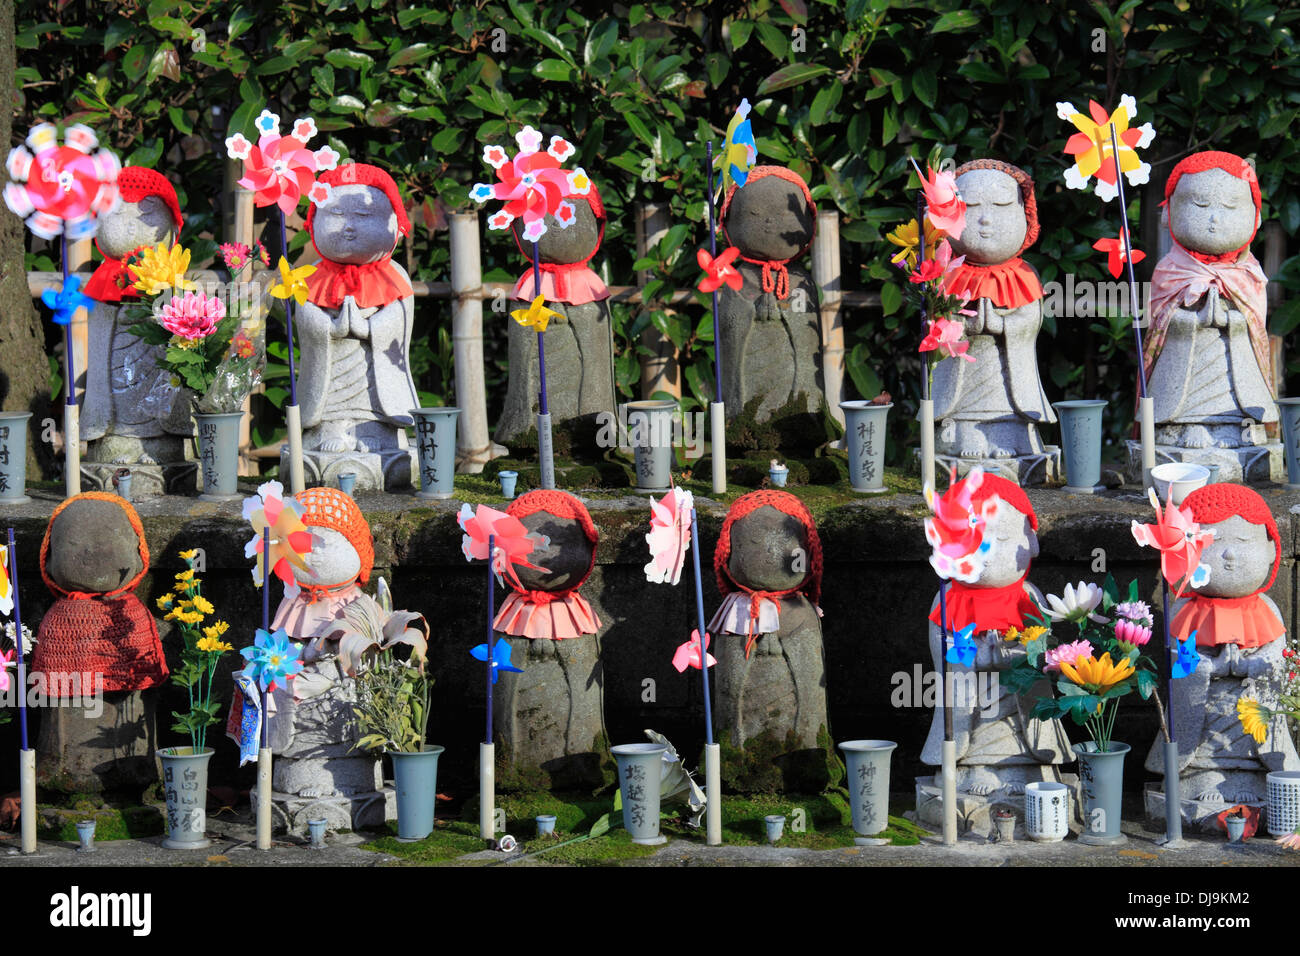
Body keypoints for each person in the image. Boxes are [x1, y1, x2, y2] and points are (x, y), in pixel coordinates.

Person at [1145, 483, 1300, 804]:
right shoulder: (1185, 610)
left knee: (1256, 733)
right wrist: (1212, 667)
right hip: (1203, 727)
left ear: (1272, 549)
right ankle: (1203, 776)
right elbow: (1183, 663)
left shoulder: (1267, 610)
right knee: (1198, 764)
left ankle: (1248, 775)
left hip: (1249, 723)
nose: (1230, 554)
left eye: (1243, 540)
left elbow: (1278, 661)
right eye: (1213, 540)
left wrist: (1249, 666)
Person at [1144, 151, 1275, 451]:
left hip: (1232, 361)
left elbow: (1256, 324)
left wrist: (1231, 320)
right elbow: (1160, 321)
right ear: (1169, 213)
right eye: (1201, 205)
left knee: (1235, 396)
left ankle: (1233, 428)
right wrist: (1192, 320)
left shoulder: (1249, 274)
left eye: (1230, 207)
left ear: (1256, 218)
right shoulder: (1170, 271)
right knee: (1180, 398)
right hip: (1184, 360)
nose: (1215, 218)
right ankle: (1184, 426)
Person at [296, 164, 419, 467]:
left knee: (372, 390)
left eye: (363, 216)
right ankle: (332, 428)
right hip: (332, 359)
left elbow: (400, 316)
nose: (349, 226)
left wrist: (368, 328)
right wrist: (330, 328)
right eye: (336, 215)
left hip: (373, 363)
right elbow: (305, 314)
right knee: (330, 396)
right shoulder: (311, 277)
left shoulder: (394, 277)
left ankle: (373, 429)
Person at [934, 160, 1056, 464]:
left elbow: (1030, 320)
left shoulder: (1023, 275)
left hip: (1007, 371)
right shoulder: (946, 274)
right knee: (960, 414)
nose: (985, 219)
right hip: (965, 370)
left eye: (1001, 205)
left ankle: (1008, 435)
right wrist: (962, 327)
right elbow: (934, 326)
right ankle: (965, 435)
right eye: (971, 207)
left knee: (1008, 410)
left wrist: (1003, 325)